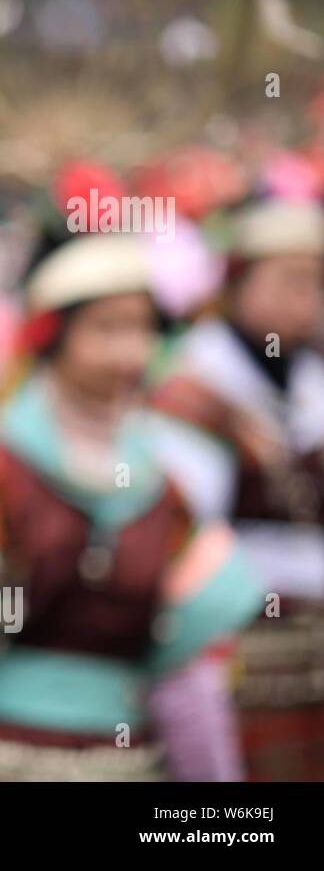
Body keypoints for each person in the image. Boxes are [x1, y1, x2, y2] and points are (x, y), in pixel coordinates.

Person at [0, 177, 264, 781]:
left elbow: (189, 680)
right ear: (50, 337)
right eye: (105, 329)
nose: (129, 354)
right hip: (0, 760)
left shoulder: (160, 484)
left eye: (141, 329)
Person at [150, 185, 324, 780]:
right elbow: (191, 536)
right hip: (238, 658)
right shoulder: (193, 391)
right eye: (288, 282)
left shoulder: (311, 381)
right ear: (235, 284)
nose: (306, 302)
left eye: (316, 283)